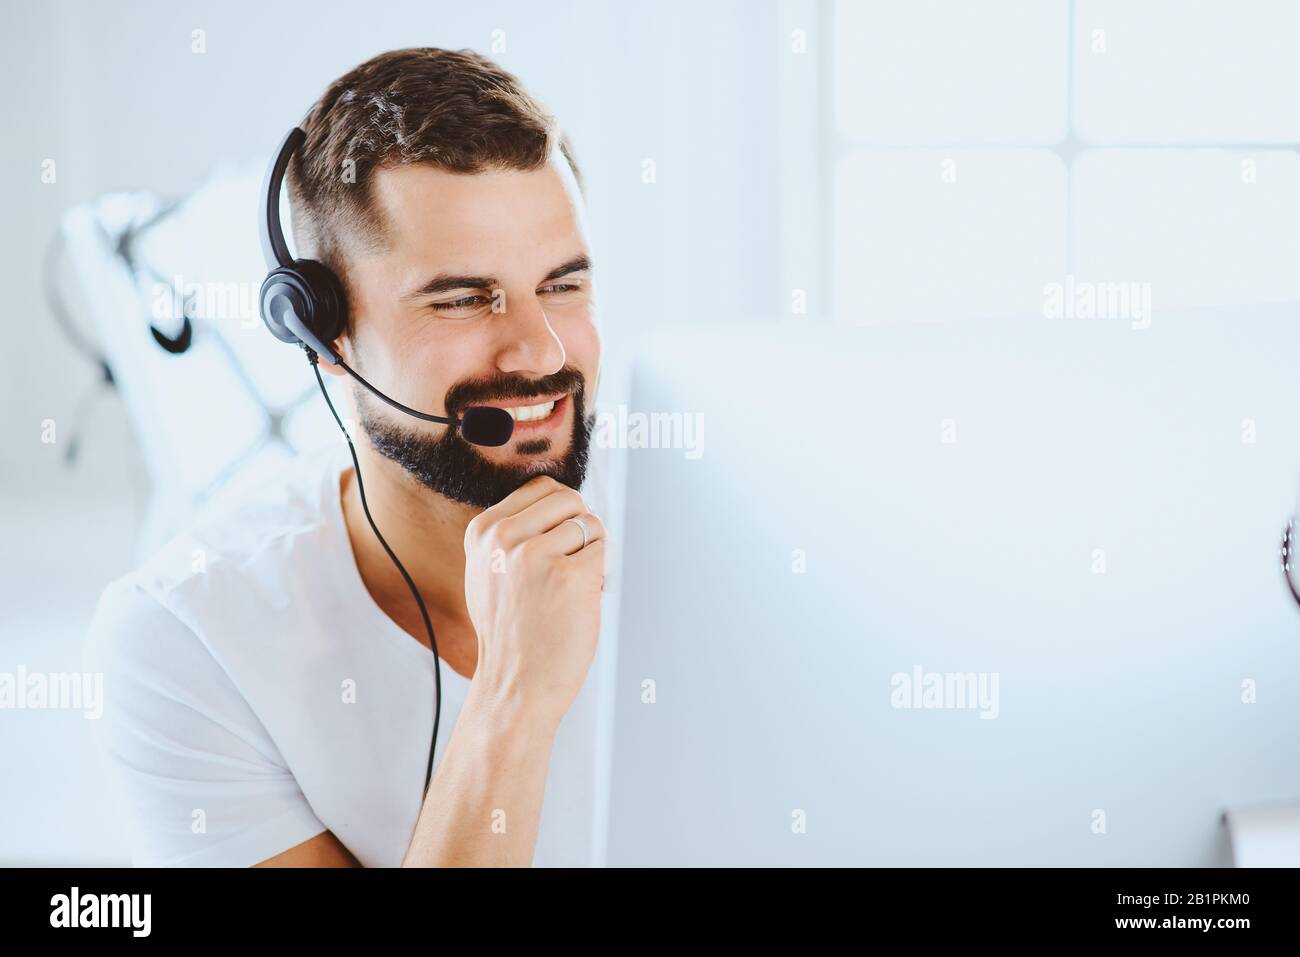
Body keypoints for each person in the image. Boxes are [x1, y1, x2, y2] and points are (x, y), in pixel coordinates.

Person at [83, 47, 608, 867]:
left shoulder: (724, 517)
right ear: (322, 333)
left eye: (563, 284)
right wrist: (512, 700)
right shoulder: (185, 640)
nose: (540, 350)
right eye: (465, 298)